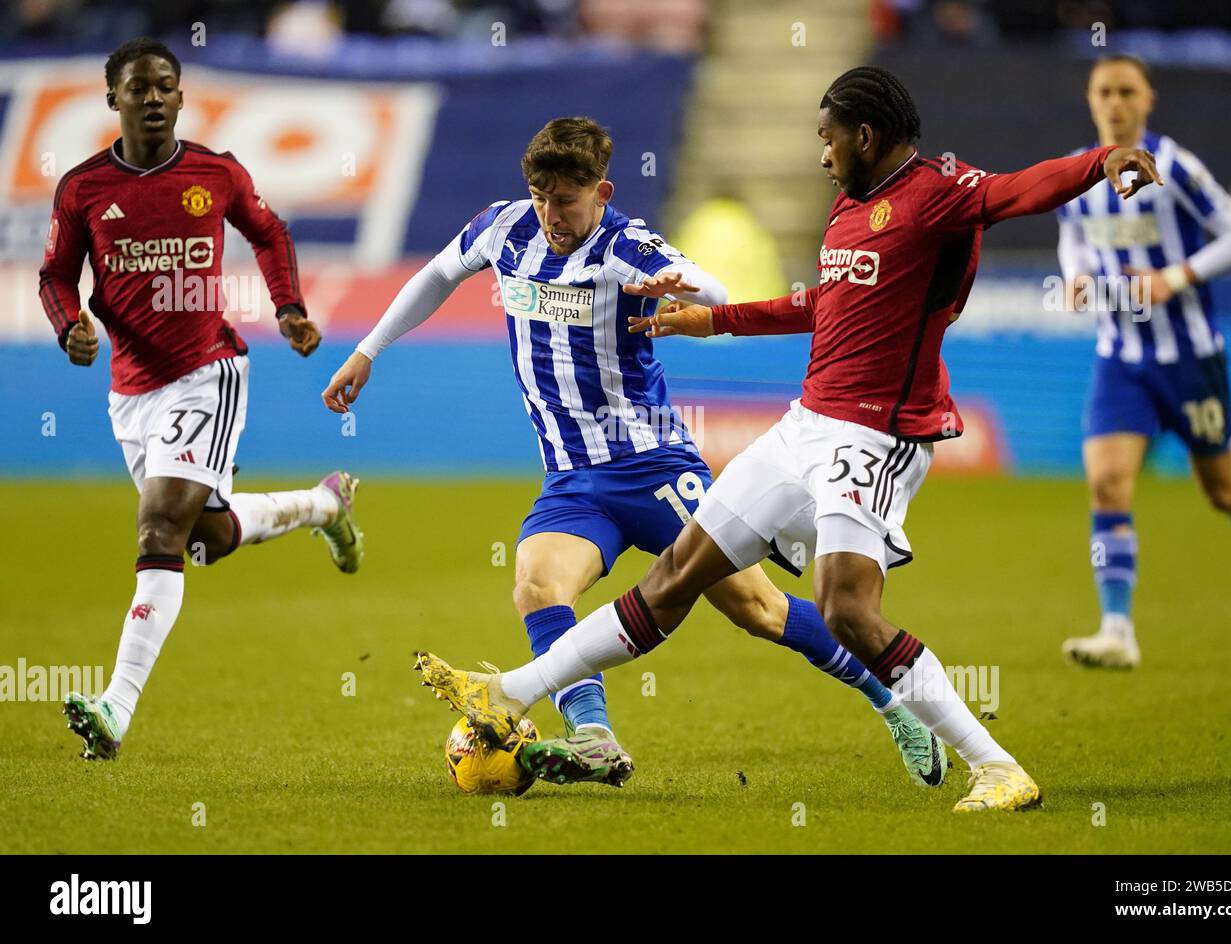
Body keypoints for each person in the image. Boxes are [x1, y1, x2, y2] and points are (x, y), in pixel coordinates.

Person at [414, 66, 1163, 812]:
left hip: (874, 436)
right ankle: (508, 690)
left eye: (828, 138)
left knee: (845, 610)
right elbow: (820, 303)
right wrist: (716, 320)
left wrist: (1102, 162)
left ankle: (996, 767)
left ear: (865, 135)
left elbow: (1016, 191)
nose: (822, 153)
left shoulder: (937, 195)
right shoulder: (847, 210)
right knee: (677, 576)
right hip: (804, 425)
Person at [323, 116, 946, 789]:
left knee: (756, 610)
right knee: (535, 582)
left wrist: (679, 283)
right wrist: (368, 350)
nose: (551, 214)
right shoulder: (503, 229)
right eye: (541, 197)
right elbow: (439, 274)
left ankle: (896, 701)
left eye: (566, 200)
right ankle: (594, 735)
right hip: (572, 478)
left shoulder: (627, 245)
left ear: (602, 191)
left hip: (653, 468)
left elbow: (713, 291)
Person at [39, 38, 363, 760]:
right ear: (112, 99)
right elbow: (55, 277)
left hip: (207, 371)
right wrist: (71, 327)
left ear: (182, 97)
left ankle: (115, 708)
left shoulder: (214, 172)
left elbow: (269, 231)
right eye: (138, 88)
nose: (153, 98)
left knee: (158, 528)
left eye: (166, 86)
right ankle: (322, 506)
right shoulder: (84, 189)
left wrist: (288, 307)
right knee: (203, 538)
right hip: (131, 391)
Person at [1057, 54, 1231, 669]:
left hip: (1191, 357)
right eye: (1103, 91)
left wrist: (1175, 276)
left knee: (1222, 491)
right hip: (1121, 359)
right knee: (1107, 483)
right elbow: (1073, 238)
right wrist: (1076, 277)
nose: (1114, 102)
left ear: (1147, 99)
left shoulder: (1177, 166)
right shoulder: (1080, 178)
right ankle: (1117, 629)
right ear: (1090, 100)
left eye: (1125, 91)